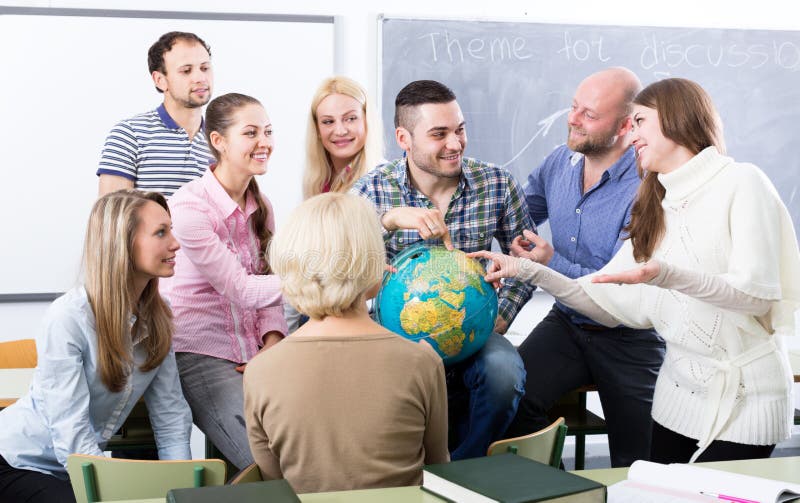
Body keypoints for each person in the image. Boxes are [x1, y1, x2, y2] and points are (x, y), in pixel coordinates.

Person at [471, 77, 800, 464]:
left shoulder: (742, 182)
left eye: (640, 122)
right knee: (644, 484)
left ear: (675, 120)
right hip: (677, 393)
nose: (634, 135)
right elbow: (603, 295)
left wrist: (665, 274)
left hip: (739, 398)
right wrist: (528, 269)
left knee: (671, 473)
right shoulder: (657, 199)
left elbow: (754, 294)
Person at [350, 79, 532, 460]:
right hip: (394, 338)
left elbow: (525, 263)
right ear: (404, 138)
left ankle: (462, 468)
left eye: (460, 129)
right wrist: (387, 220)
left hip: (475, 334)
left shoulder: (497, 184)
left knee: (504, 375)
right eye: (439, 134)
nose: (455, 143)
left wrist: (501, 316)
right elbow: (339, 258)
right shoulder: (372, 191)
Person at [504, 67, 666, 467]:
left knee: (639, 459)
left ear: (627, 125)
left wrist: (549, 262)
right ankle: (559, 491)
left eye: (589, 114)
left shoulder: (648, 187)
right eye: (574, 106)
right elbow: (518, 216)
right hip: (568, 324)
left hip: (630, 334)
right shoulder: (560, 162)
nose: (573, 119)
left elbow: (617, 287)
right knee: (511, 400)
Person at [244, 192, 449, 492]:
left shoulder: (259, 371)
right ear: (373, 261)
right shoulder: (422, 362)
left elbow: (274, 481)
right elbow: (437, 467)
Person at [0, 191, 192, 502]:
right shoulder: (68, 318)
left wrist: (183, 490)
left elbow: (171, 417)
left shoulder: (160, 317)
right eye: (161, 232)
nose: (175, 243)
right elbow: (72, 436)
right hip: (19, 461)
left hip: (75, 466)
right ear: (123, 244)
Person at [161, 93, 287, 470]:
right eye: (250, 133)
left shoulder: (261, 205)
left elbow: (266, 283)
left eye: (267, 131)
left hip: (255, 352)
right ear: (218, 141)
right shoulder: (189, 208)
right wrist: (317, 282)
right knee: (264, 463)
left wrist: (274, 341)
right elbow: (242, 289)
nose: (264, 142)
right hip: (200, 354)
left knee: (302, 443)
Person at [97, 31, 214, 197]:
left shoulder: (222, 139)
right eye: (186, 70)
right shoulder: (130, 134)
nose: (200, 77)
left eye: (205, 68)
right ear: (160, 80)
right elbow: (112, 217)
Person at [303, 76, 383, 198]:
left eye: (351, 119)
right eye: (328, 121)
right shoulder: (317, 181)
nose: (340, 131)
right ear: (317, 129)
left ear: (367, 121)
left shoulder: (384, 182)